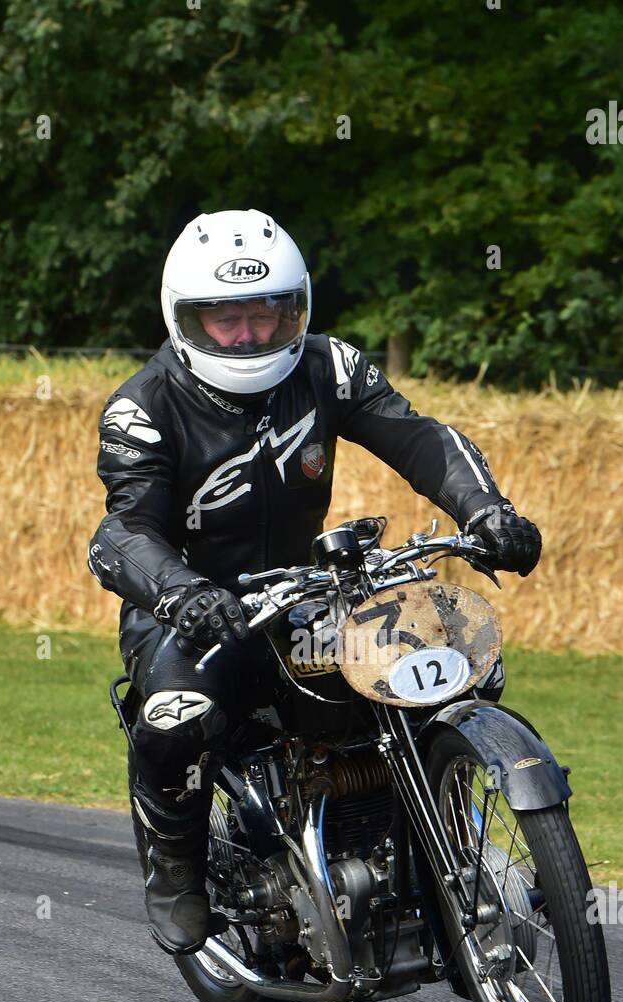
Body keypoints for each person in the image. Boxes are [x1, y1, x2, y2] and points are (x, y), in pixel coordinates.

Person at [87, 209, 541, 957]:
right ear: (183, 318)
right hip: (190, 608)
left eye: (266, 316)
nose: (249, 336)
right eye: (224, 320)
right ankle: (175, 866)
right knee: (173, 716)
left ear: (294, 307)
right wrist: (180, 592)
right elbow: (122, 533)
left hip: (311, 593)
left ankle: (433, 843)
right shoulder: (143, 408)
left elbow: (418, 437)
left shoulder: (329, 366)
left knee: (449, 679)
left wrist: (486, 510)